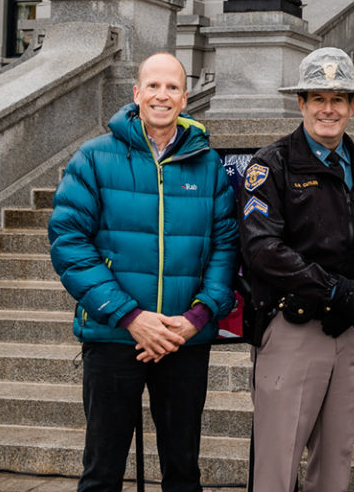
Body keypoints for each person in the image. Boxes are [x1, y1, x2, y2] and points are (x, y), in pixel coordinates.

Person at [48, 52, 239, 491]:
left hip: (182, 340)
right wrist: (131, 317)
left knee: (183, 470)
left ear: (185, 98)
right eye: (153, 85)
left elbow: (225, 246)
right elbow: (69, 243)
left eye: (172, 87)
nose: (162, 95)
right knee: (101, 470)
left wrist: (195, 319)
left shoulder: (207, 165)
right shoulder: (94, 158)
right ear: (136, 94)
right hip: (115, 337)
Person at [239, 47, 354, 492]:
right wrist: (334, 290)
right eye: (318, 98)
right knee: (277, 466)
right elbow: (263, 249)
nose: (328, 109)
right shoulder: (272, 165)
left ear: (352, 106)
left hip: (349, 330)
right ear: (301, 104)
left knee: (335, 462)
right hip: (293, 326)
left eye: (338, 99)